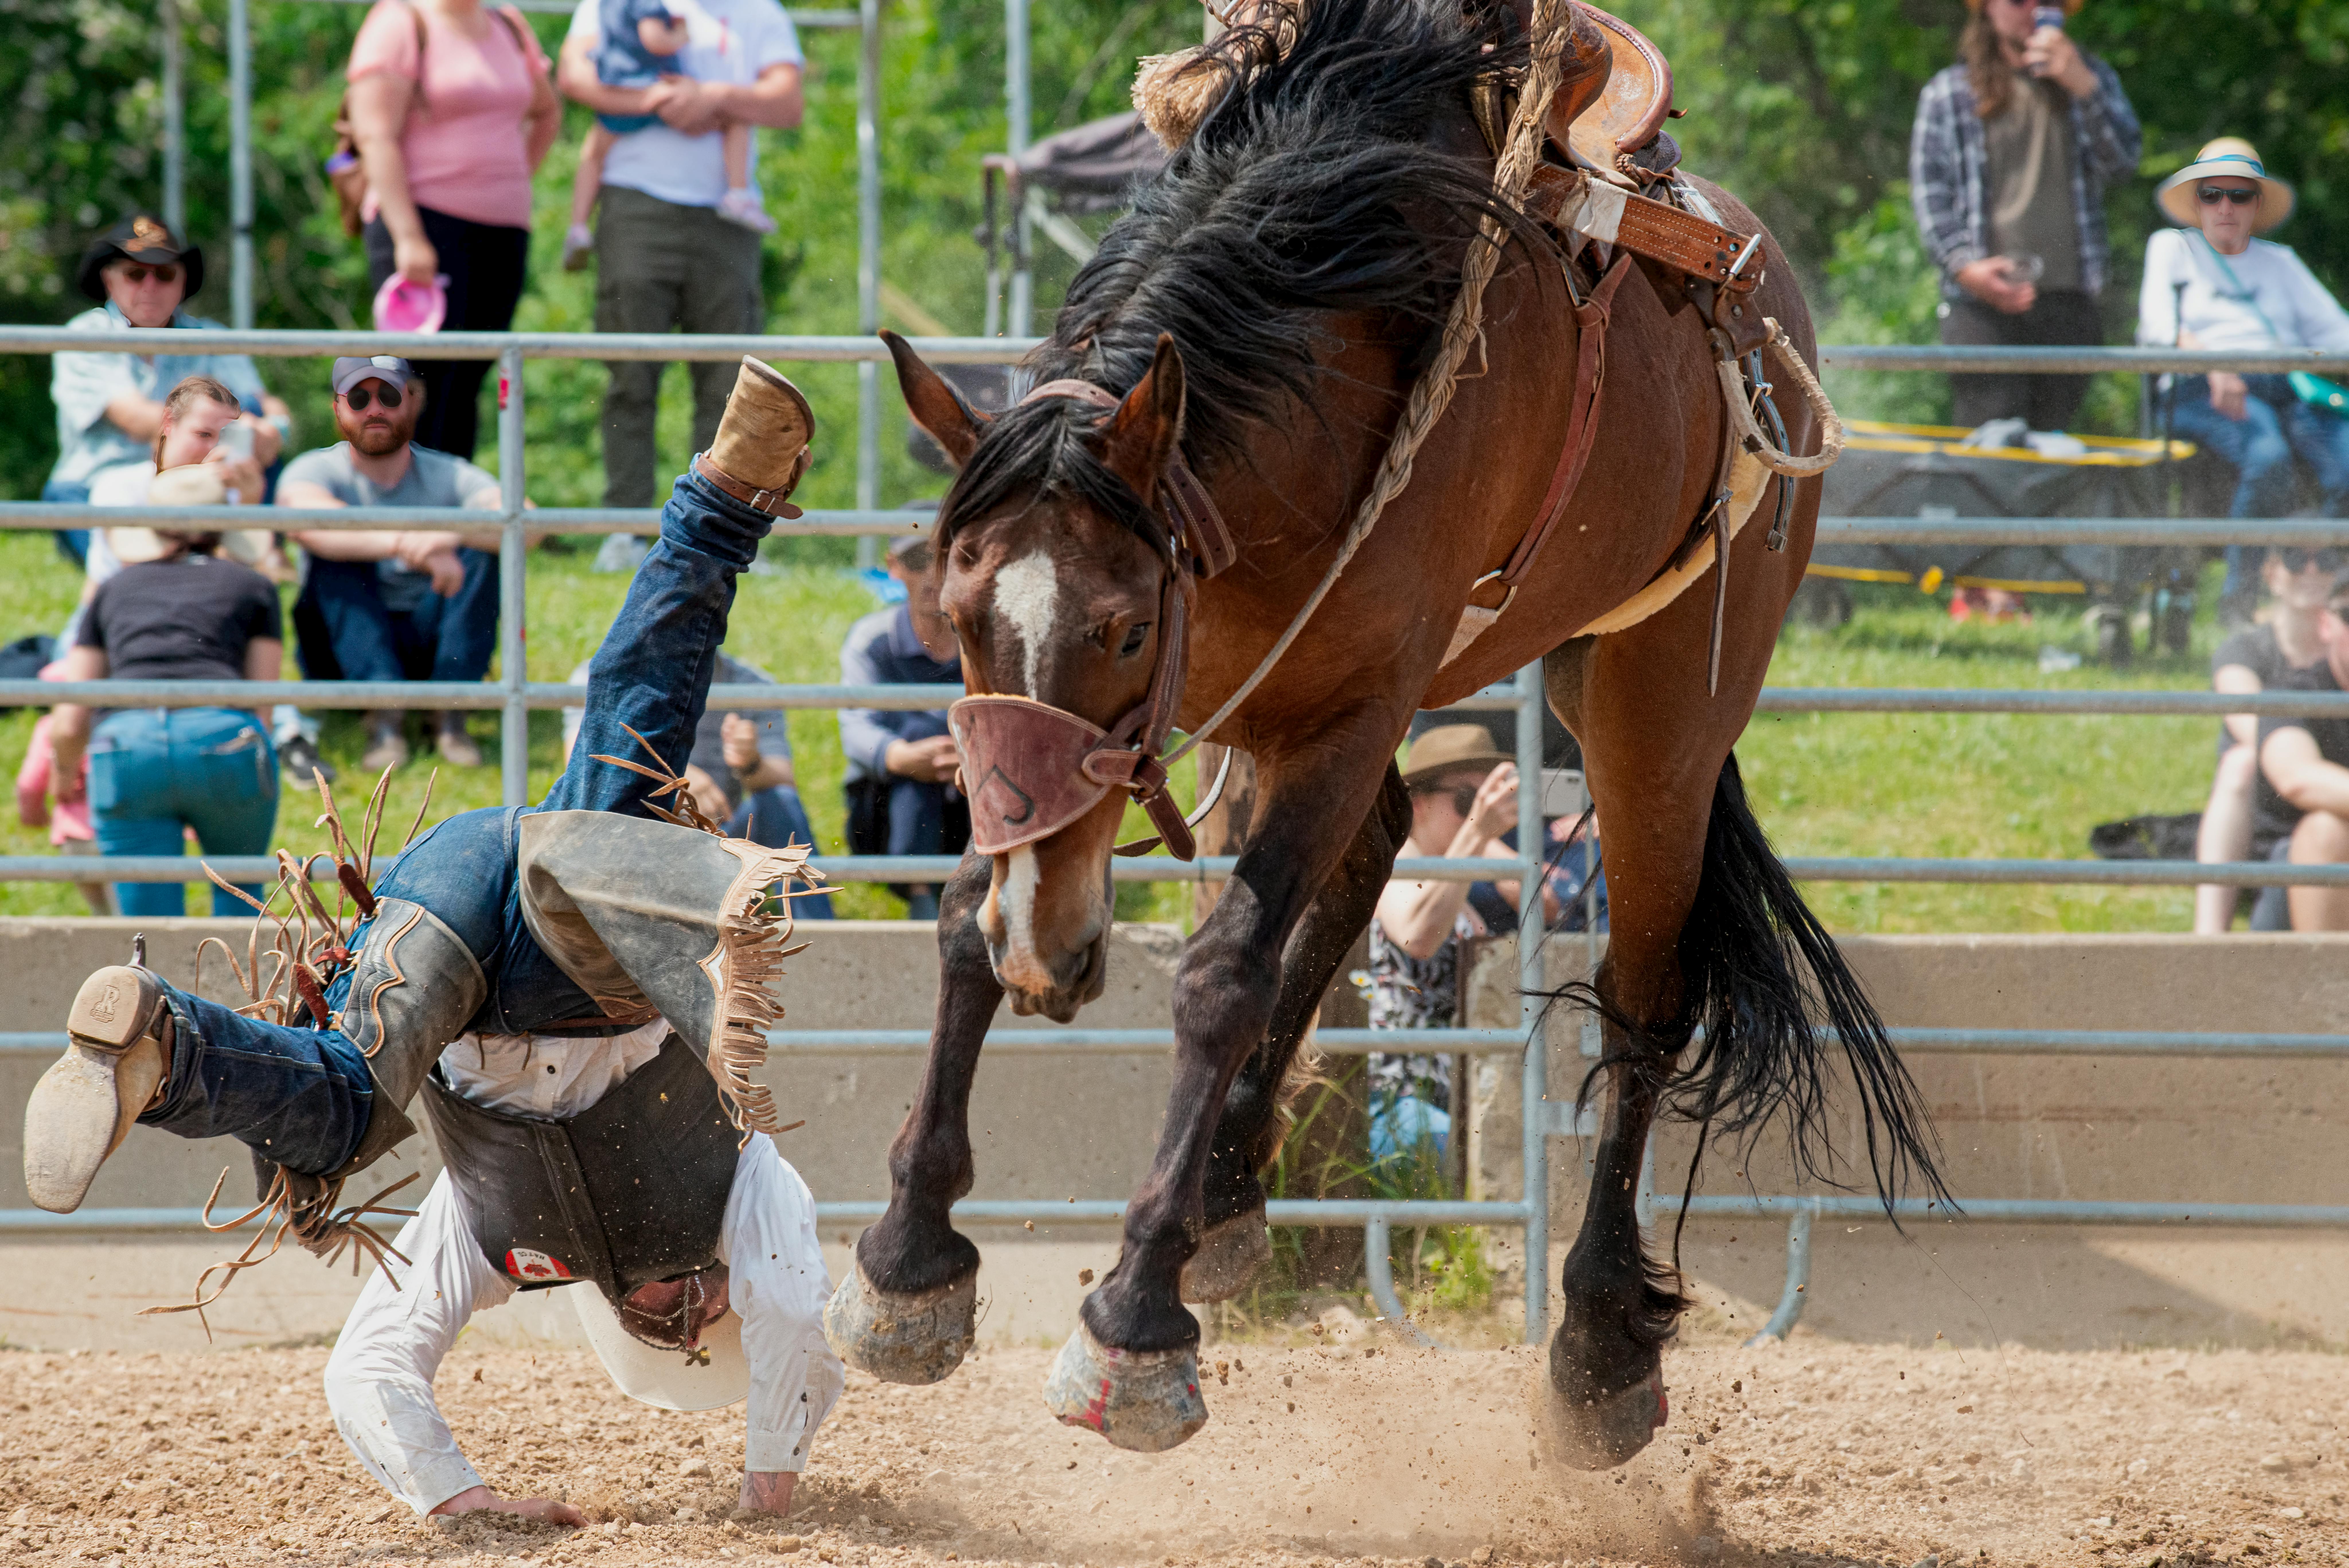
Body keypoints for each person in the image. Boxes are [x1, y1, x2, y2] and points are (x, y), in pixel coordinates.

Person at [23, 357, 836, 1522]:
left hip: (451, 901)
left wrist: (464, 1501)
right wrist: (772, 1485)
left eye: (658, 1325)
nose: (680, 1316)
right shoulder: (743, 1189)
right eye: (697, 1320)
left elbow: (363, 1368)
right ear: (717, 1301)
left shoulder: (491, 1224)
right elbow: (796, 1305)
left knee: (349, 1100)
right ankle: (723, 497)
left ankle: (170, 1046)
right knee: (619, 761)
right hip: (578, 956)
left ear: (622, 1314)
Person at [556, 0, 804, 510]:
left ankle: (717, 525)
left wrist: (713, 96)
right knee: (630, 376)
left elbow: (788, 102)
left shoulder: (761, 13)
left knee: (728, 387)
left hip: (728, 217)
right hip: (634, 203)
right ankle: (623, 526)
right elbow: (575, 76)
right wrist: (658, 98)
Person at [2139, 137, 2349, 626]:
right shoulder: (2172, 248)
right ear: (2196, 201)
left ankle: (2326, 599)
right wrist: (2215, 367)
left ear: (2256, 204)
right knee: (2268, 456)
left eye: (2238, 196)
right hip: (2199, 390)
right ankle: (2239, 604)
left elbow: (2337, 332)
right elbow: (2157, 328)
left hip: (2281, 389)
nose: (2225, 207)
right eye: (2212, 194)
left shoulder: (2280, 262)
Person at [42, 495, 283, 918]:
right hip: (224, 737)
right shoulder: (253, 586)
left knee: (146, 927)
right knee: (240, 892)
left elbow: (71, 715)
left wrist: (64, 774)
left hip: (127, 745)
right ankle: (239, 985)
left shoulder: (115, 587)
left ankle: (150, 983)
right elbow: (261, 706)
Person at [1910, 0, 2141, 433]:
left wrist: (2084, 87)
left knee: (2055, 457)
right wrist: (1967, 268)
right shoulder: (1949, 93)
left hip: (2070, 301)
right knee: (1992, 453)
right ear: (1987, 10)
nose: (2034, 10)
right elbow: (1931, 195)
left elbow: (2124, 163)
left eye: (2048, 1)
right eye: (2018, 1)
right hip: (1981, 307)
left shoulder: (2092, 79)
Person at [345, 0, 559, 459]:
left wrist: (508, 178)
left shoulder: (507, 24)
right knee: (417, 385)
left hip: (502, 236)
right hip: (424, 227)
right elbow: (375, 134)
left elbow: (546, 111)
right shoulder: (400, 21)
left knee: (470, 379)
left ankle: (452, 519)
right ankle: (402, 514)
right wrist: (408, 237)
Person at [278, 356, 504, 773]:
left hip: (430, 634)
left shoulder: (449, 472)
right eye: (359, 398)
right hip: (338, 654)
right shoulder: (315, 468)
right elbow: (307, 521)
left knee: (484, 550)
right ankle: (383, 716)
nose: (375, 409)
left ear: (413, 402)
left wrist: (450, 536)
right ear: (338, 408)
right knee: (334, 556)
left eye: (389, 395)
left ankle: (450, 711)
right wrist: (405, 544)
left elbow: (520, 518)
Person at [42, 214, 292, 563]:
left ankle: (254, 557)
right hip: (97, 488)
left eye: (163, 274)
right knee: (134, 581)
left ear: (182, 280)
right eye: (135, 273)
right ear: (109, 281)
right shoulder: (85, 334)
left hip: (200, 483)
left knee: (255, 418)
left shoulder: (212, 337)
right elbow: (134, 419)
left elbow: (269, 405)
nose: (149, 286)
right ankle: (242, 558)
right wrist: (232, 428)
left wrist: (274, 432)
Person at [562, 647, 834, 916]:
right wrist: (676, 775)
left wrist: (751, 762)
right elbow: (582, 762)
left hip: (721, 839)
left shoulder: (751, 684)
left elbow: (784, 779)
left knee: (780, 803)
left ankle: (818, 938)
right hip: (640, 839)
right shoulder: (602, 675)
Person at [562, 0, 774, 271]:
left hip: (616, 88)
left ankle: (579, 226)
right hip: (655, 87)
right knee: (733, 121)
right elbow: (655, 40)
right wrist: (681, 36)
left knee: (593, 155)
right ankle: (739, 194)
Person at [2193, 548, 2335, 932]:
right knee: (2239, 763)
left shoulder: (2340, 658)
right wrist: (2298, 755)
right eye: (2295, 559)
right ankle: (2207, 938)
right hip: (2271, 799)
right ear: (2271, 574)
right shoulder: (2244, 651)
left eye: (2327, 560)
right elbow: (2250, 722)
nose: (2311, 570)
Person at [838, 534, 967, 919]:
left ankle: (938, 895)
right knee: (915, 737)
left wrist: (974, 756)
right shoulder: (873, 638)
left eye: (946, 559)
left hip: (972, 790)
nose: (933, 575)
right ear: (894, 566)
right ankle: (922, 890)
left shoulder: (990, 639)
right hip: (885, 813)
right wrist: (902, 756)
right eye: (918, 561)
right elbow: (855, 726)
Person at [2254, 574, 2349, 932]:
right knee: (2327, 832)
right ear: (2326, 624)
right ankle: (2328, 986)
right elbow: (2297, 778)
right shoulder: (2293, 694)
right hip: (2295, 880)